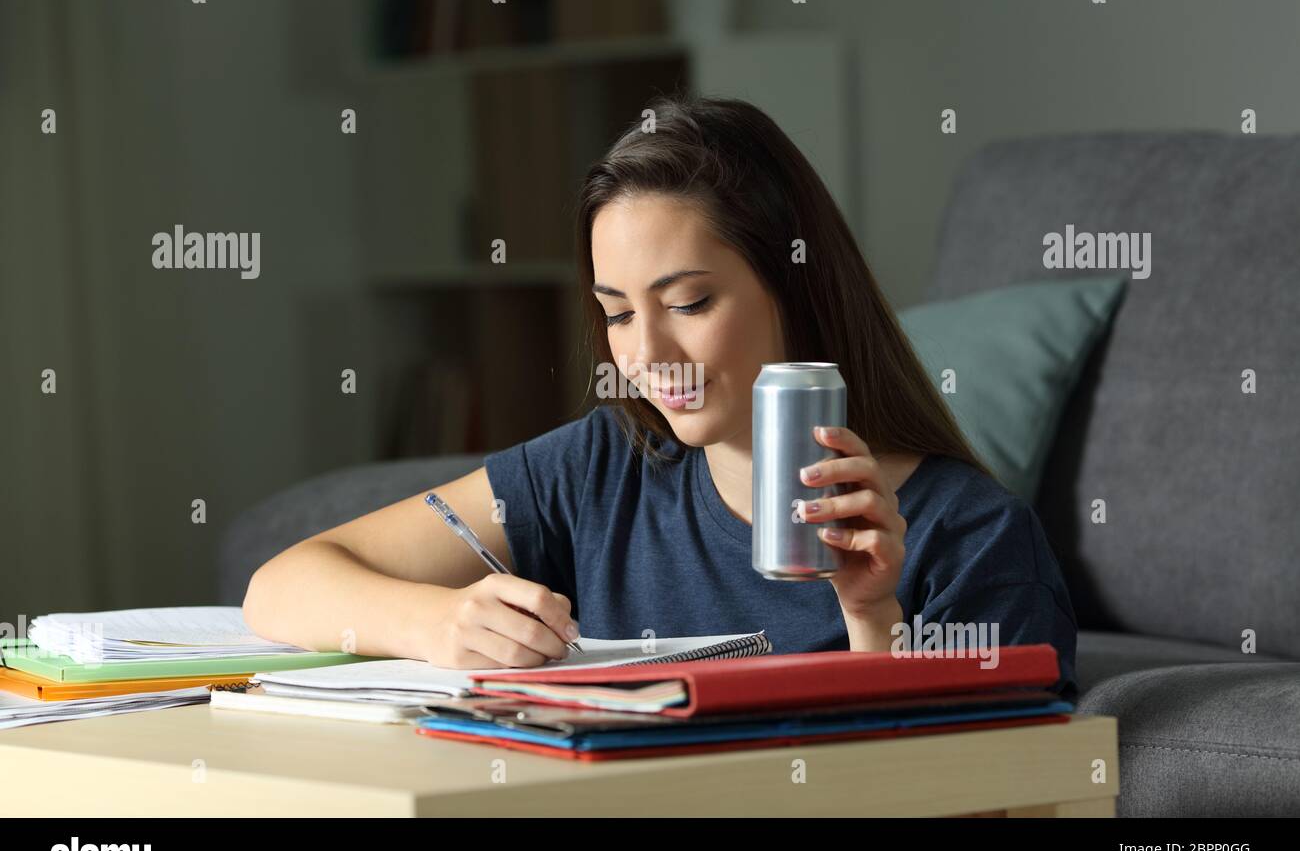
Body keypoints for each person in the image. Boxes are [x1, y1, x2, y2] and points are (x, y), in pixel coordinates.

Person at [243, 95, 1078, 700]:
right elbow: (283, 585)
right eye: (615, 313)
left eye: (688, 304)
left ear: (795, 287)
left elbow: (974, 796)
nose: (647, 355)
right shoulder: (605, 467)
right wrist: (438, 624)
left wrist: (871, 617)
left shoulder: (974, 540)